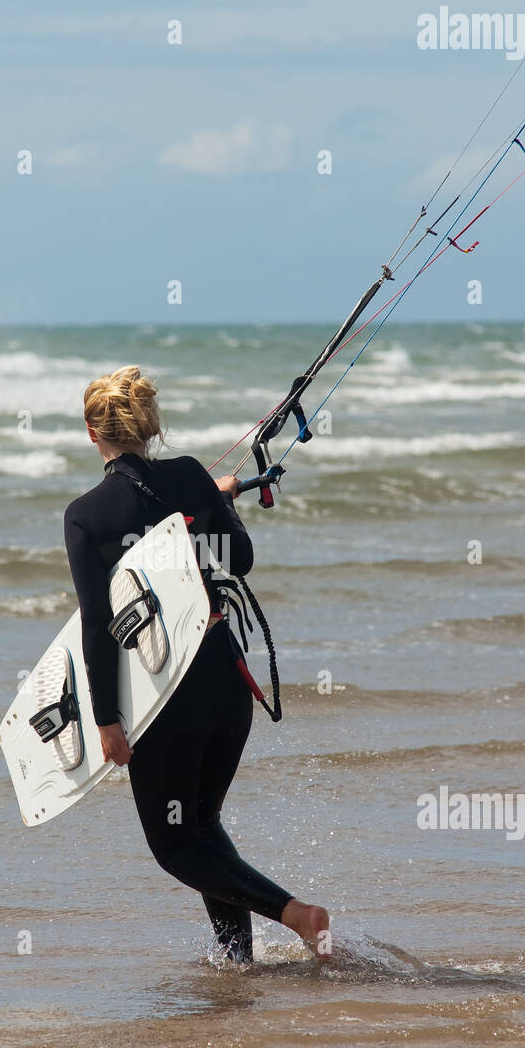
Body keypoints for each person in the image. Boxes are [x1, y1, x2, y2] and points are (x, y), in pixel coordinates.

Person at [63, 365, 330, 964]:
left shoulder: (85, 516)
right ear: (151, 425)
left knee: (175, 847)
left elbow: (98, 625)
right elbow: (240, 559)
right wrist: (217, 503)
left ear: (91, 432)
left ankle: (298, 916)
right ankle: (238, 964)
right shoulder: (187, 476)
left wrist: (106, 720)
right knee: (202, 828)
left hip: (167, 700)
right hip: (226, 685)